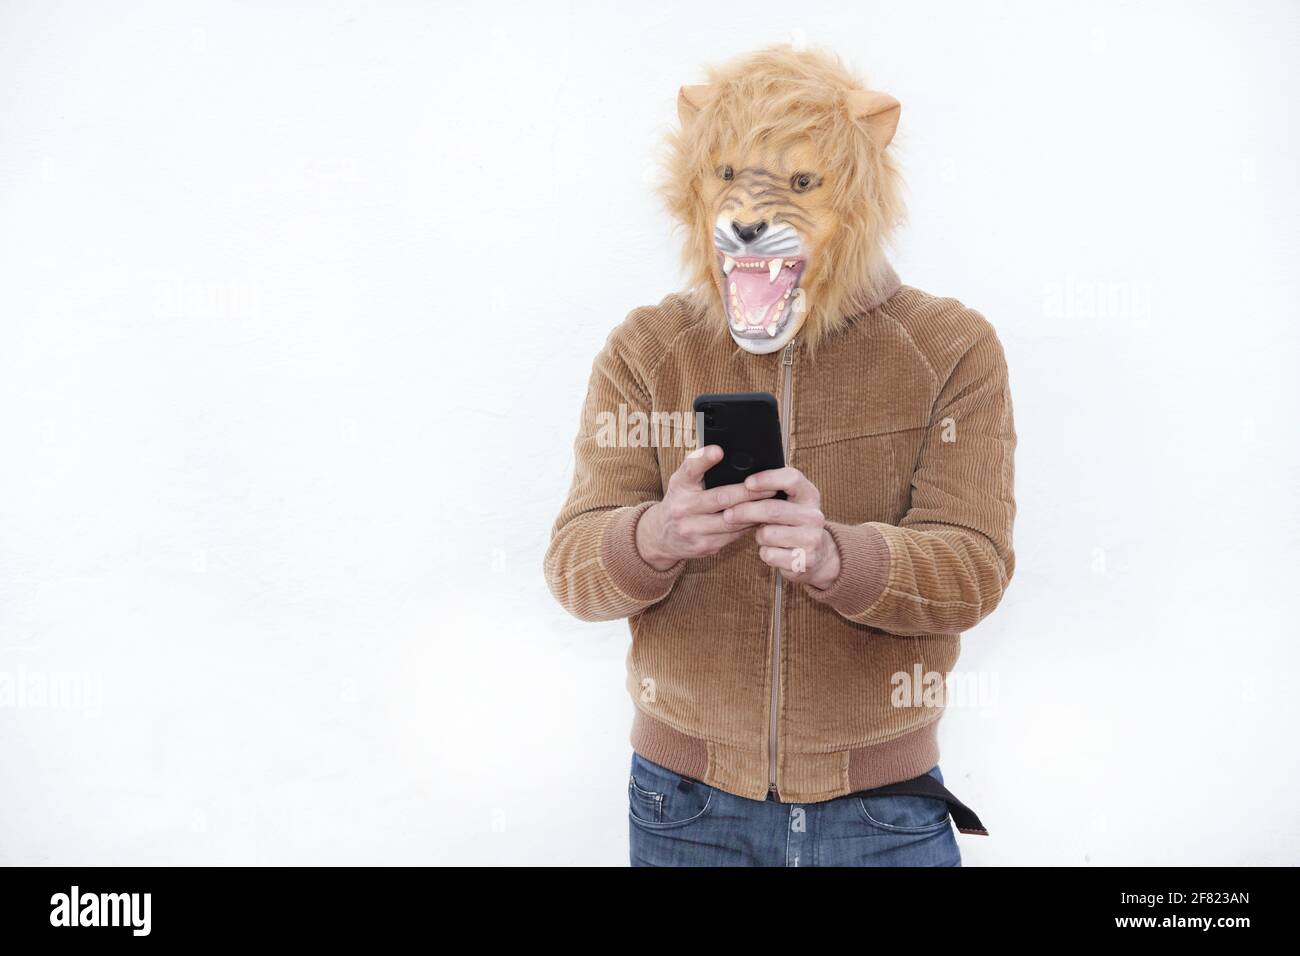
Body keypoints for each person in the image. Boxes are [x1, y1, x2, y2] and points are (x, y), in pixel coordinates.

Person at [545, 45, 1016, 867]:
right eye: (730, 174)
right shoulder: (647, 350)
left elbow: (975, 569)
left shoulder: (950, 349)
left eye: (801, 184)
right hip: (683, 805)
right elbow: (573, 569)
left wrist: (840, 556)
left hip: (884, 812)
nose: (751, 211)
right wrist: (654, 537)